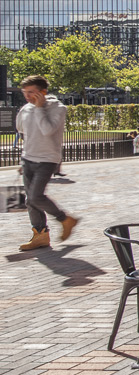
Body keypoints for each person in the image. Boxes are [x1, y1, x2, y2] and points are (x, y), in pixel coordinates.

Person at [16, 75, 77, 250]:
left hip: (47, 159)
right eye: (25, 92)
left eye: (32, 92)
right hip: (28, 158)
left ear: (43, 92)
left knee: (36, 196)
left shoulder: (58, 108)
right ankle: (40, 235)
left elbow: (47, 130)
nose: (27, 96)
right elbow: (21, 130)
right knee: (29, 200)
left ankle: (65, 219)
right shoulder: (25, 109)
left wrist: (39, 108)